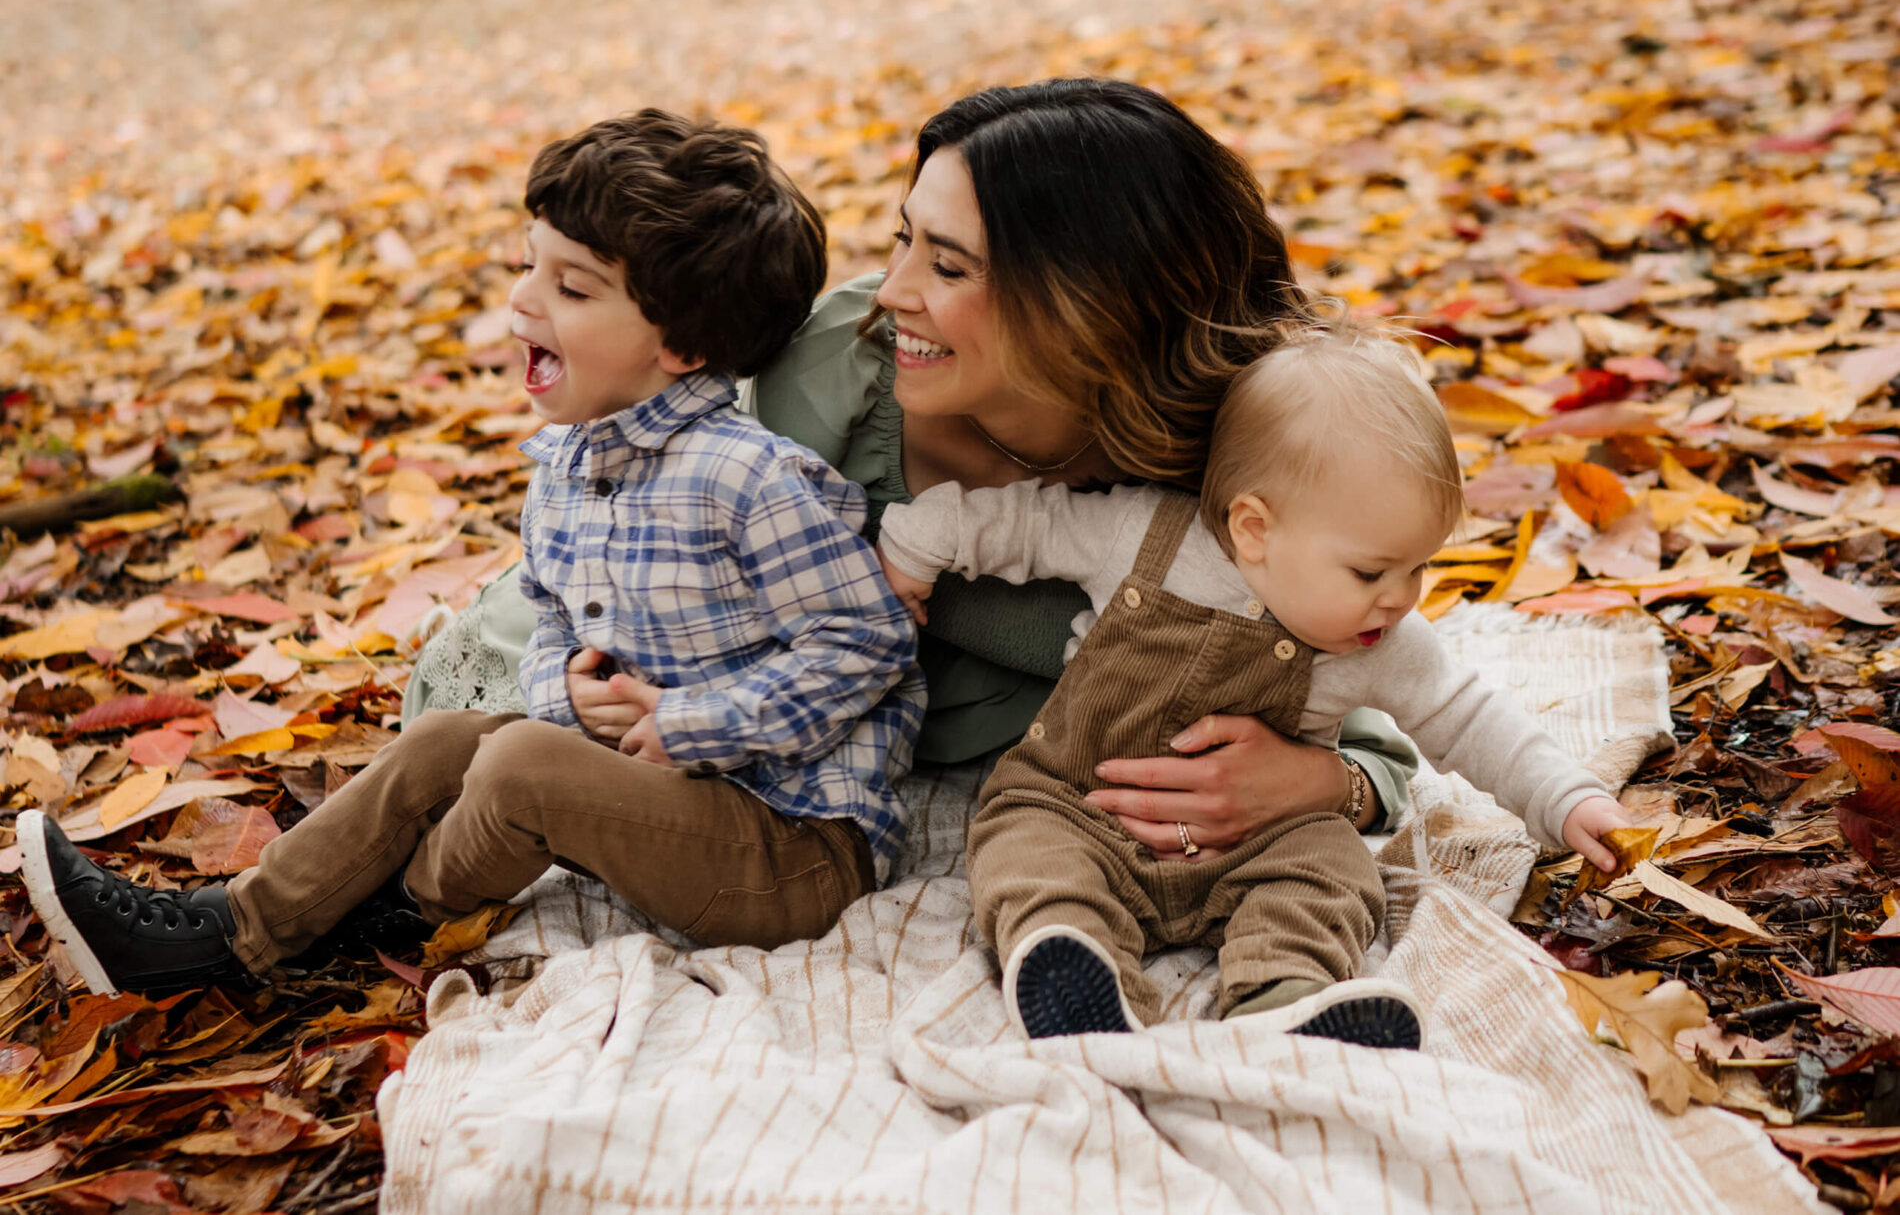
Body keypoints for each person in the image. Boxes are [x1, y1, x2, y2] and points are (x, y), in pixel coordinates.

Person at [19, 109, 925, 997]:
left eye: (573, 290)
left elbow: (869, 643)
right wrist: (563, 689)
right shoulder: (567, 470)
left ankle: (379, 912)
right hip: (668, 797)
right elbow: (553, 622)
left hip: (794, 846)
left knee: (520, 767)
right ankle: (229, 929)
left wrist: (697, 721)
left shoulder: (748, 478)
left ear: (683, 345)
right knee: (447, 739)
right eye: (528, 265)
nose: (522, 301)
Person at [404, 78, 1425, 864]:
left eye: (947, 264)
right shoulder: (829, 376)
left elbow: (1361, 695)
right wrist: (579, 695)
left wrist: (1320, 783)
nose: (891, 289)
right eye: (903, 239)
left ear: (1088, 303)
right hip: (657, 683)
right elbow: (629, 554)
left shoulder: (1229, 474)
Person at [874, 322, 1634, 1044]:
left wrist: (1566, 799)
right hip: (1083, 805)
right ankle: (1075, 966)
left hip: (1255, 841)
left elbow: (1471, 718)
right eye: (1371, 571)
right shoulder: (1143, 537)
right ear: (1254, 529)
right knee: (1023, 845)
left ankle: (1285, 992)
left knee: (1331, 866)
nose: (1401, 597)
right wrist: (919, 543)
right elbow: (1025, 525)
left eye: (1419, 567)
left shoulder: (1383, 642)